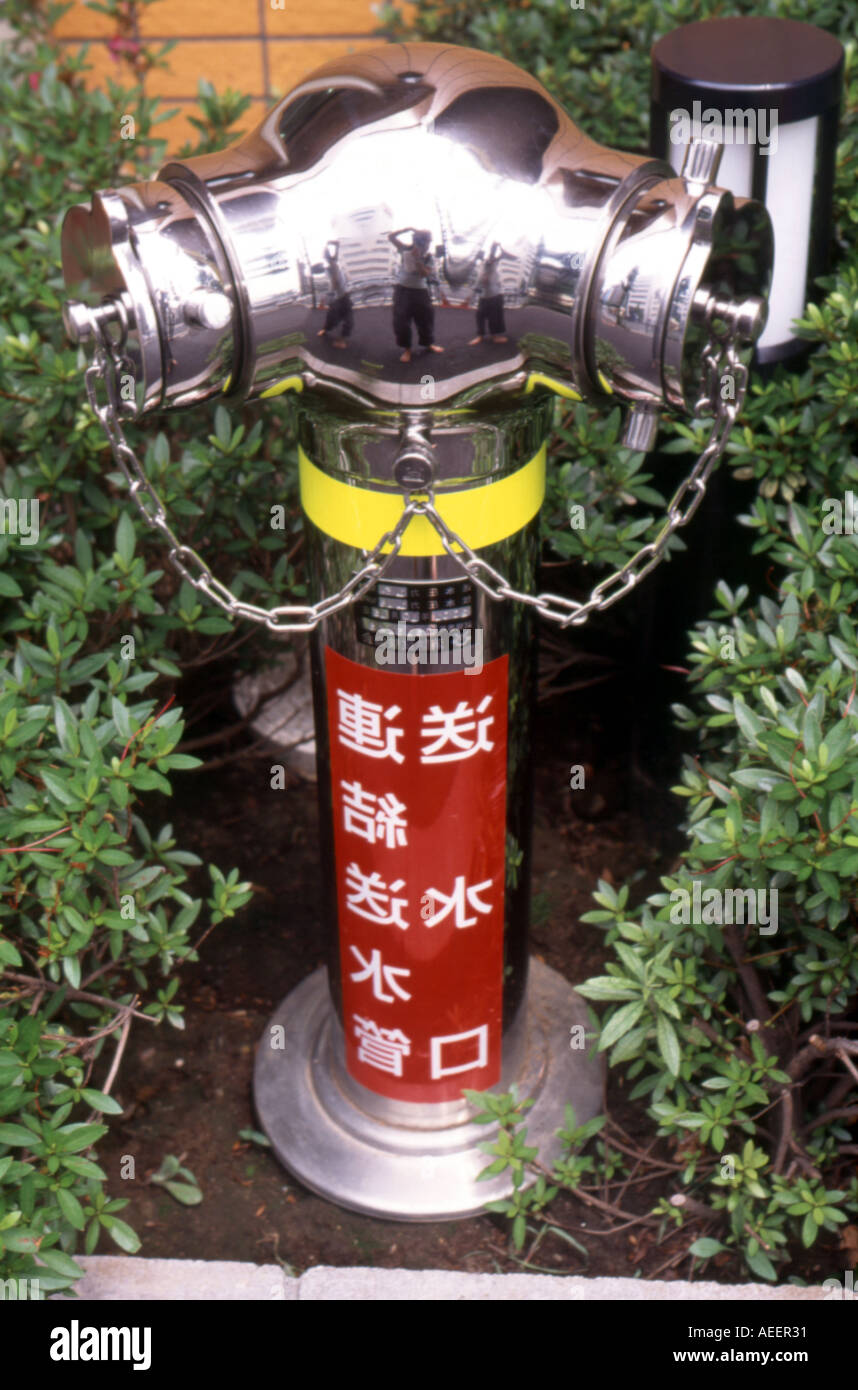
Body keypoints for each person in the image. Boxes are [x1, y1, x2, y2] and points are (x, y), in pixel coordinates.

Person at [388, 228, 444, 363]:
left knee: (426, 319)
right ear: (417, 241)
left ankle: (428, 343)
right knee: (401, 321)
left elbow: (425, 274)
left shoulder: (429, 257)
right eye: (424, 242)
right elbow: (391, 237)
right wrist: (408, 229)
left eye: (428, 242)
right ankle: (407, 349)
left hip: (421, 291)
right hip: (403, 290)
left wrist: (418, 259)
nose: (427, 245)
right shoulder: (405, 248)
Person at [469, 243, 508, 345]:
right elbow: (480, 277)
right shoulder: (484, 264)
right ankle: (480, 336)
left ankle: (495, 336)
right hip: (484, 295)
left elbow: (492, 259)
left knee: (494, 317)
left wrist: (494, 249)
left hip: (495, 295)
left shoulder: (493, 263)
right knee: (479, 315)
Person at [316, 241, 353, 349]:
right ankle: (326, 329)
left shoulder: (332, 263)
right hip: (338, 296)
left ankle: (342, 340)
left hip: (341, 296)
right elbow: (336, 250)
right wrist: (334, 245)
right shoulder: (331, 262)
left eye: (325, 254)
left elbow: (335, 281)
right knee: (332, 316)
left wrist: (329, 296)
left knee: (347, 318)